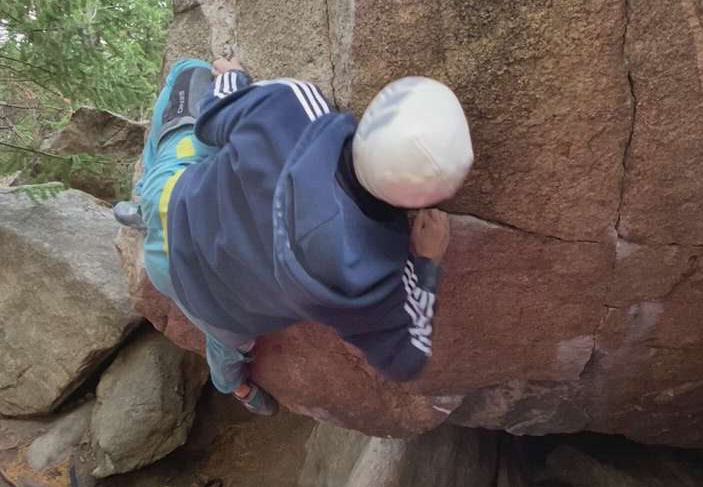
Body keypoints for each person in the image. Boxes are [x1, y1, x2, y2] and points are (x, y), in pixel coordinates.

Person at [117, 57, 473, 416]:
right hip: (221, 310)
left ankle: (140, 209)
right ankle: (238, 388)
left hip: (172, 215)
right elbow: (406, 358)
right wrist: (426, 263)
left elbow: (212, 117)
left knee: (188, 74)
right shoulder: (373, 281)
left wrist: (232, 78)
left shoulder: (288, 105)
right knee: (227, 345)